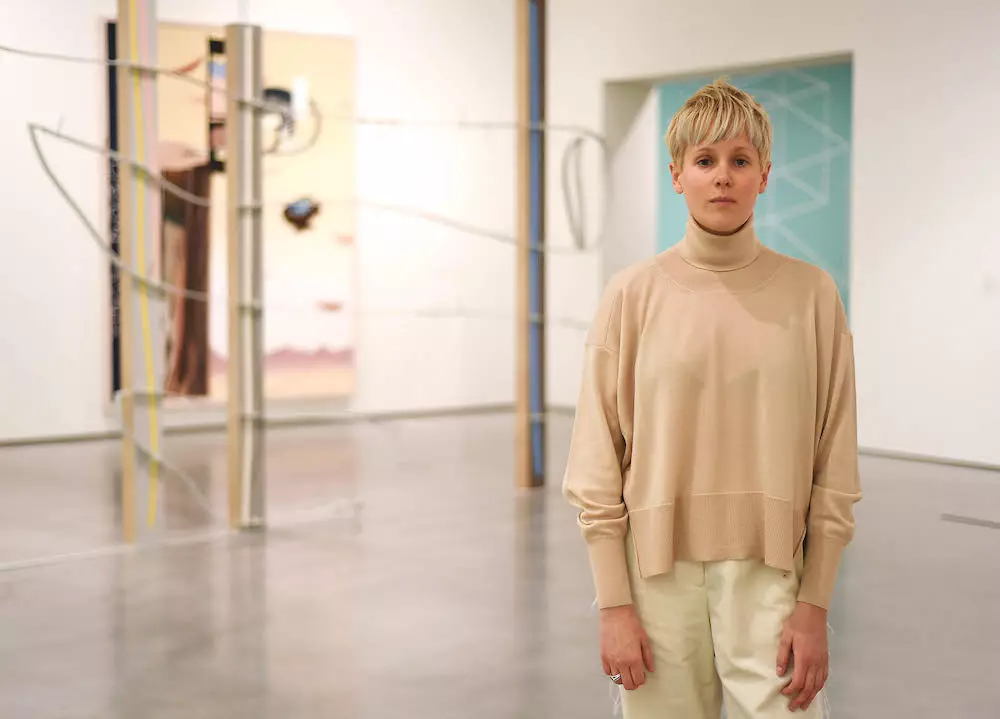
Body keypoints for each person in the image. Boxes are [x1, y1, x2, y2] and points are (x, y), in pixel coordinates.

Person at [562, 78, 862, 718]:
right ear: (677, 175)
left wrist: (815, 605)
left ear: (764, 174)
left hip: (773, 573)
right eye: (705, 161)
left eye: (739, 160)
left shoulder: (812, 294)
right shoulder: (631, 295)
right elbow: (595, 460)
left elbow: (835, 460)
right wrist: (614, 604)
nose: (722, 176)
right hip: (656, 576)